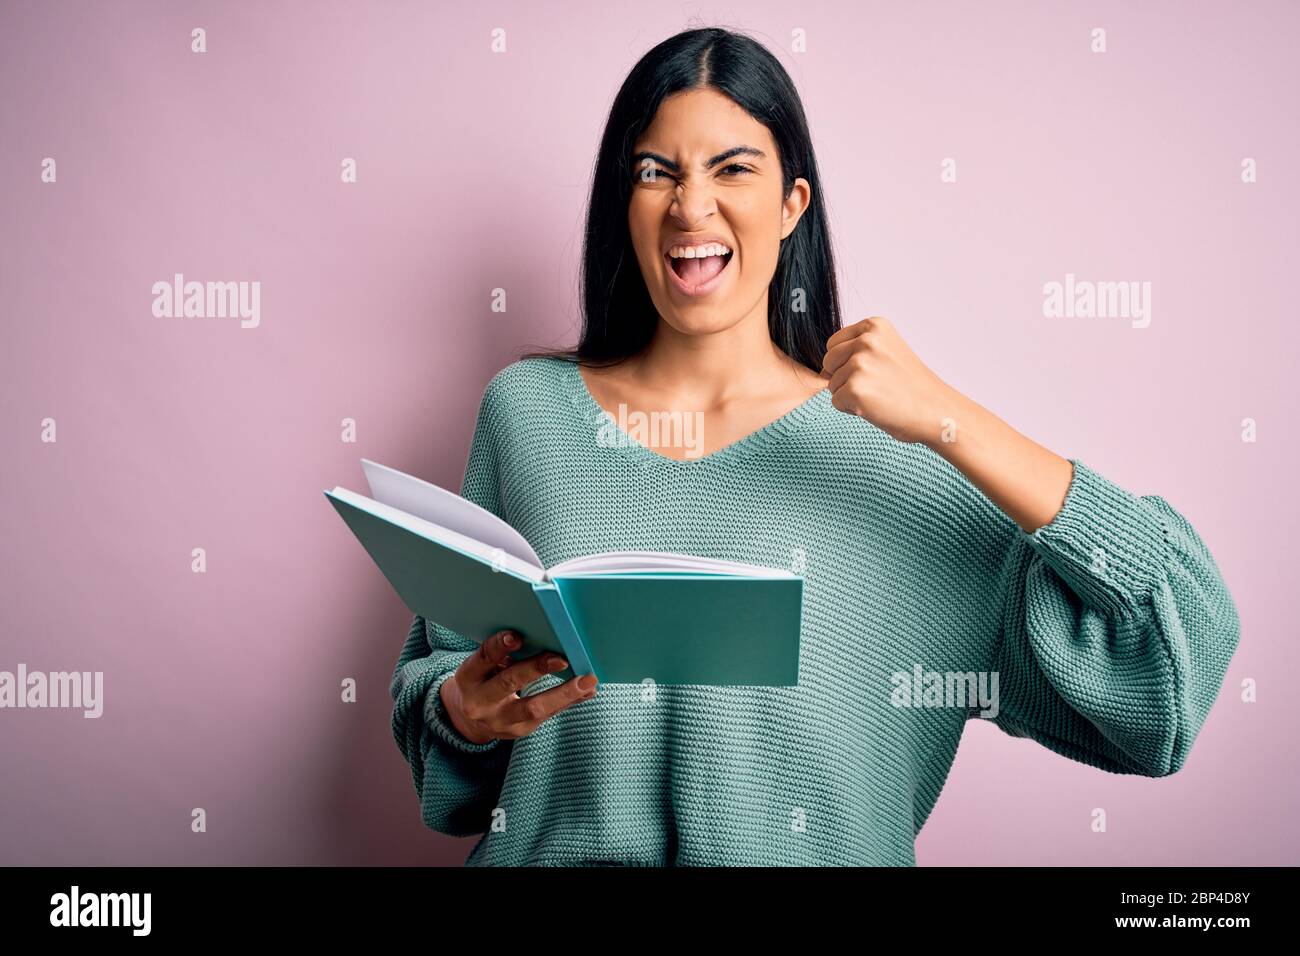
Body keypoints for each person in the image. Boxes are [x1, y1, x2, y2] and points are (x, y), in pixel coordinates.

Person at [388, 27, 1241, 866]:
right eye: (656, 173)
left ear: (793, 203)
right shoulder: (525, 415)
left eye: (733, 168)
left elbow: (1172, 667)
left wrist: (949, 417)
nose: (691, 206)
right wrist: (462, 712)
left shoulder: (901, 456)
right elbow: (446, 734)